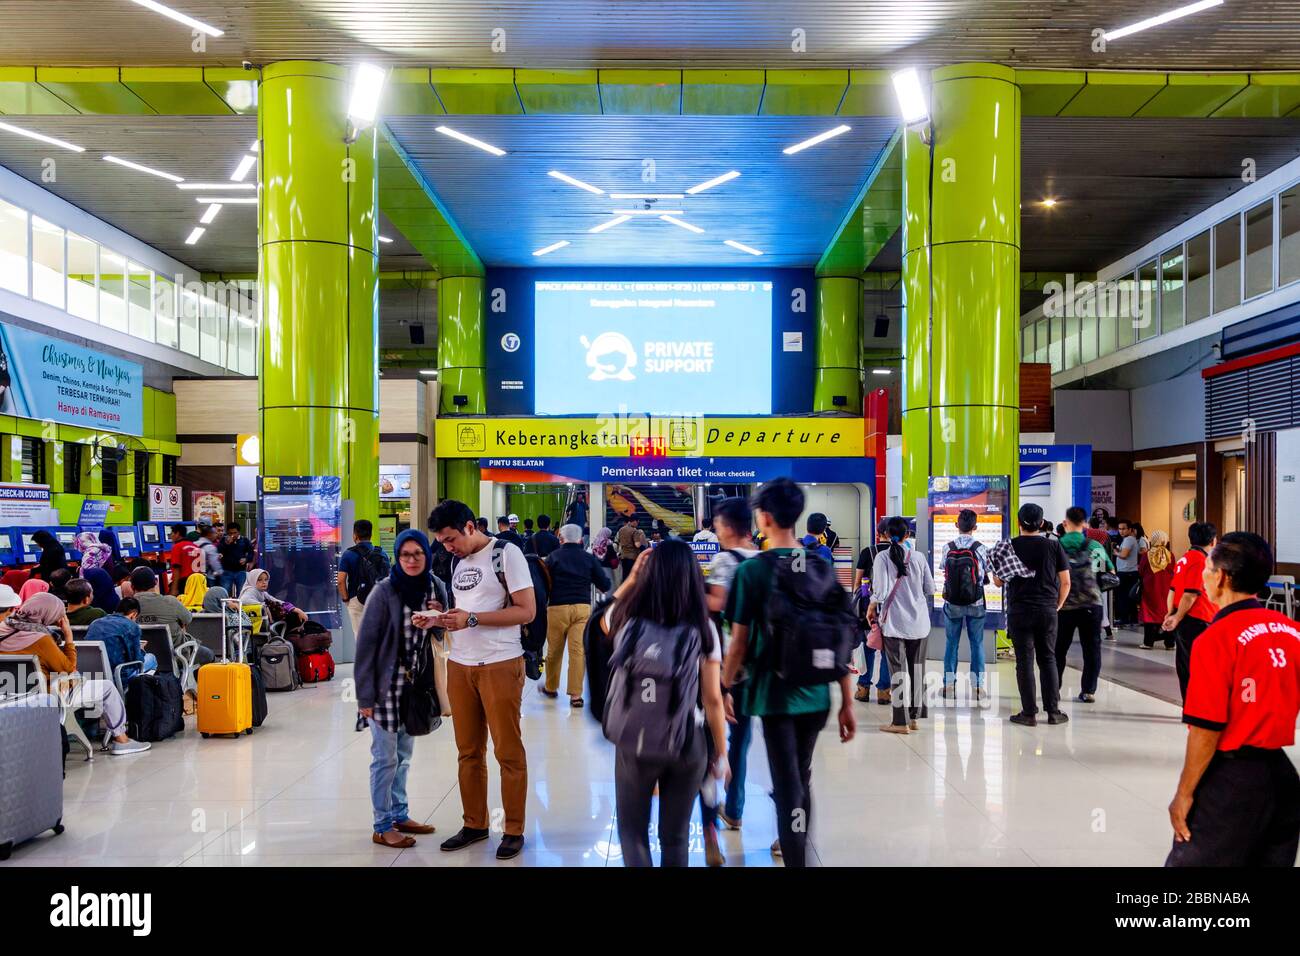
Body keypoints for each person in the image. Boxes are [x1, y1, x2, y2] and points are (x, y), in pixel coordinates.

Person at [722, 478, 856, 866]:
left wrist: (725, 686)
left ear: (763, 518)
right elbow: (840, 636)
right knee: (801, 774)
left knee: (786, 784)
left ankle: (796, 858)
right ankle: (795, 849)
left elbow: (739, 644)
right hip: (817, 695)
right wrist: (847, 701)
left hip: (775, 695)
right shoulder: (820, 565)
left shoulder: (752, 572)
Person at [1166, 532, 1300, 867]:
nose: (1204, 575)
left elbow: (1206, 730)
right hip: (1282, 779)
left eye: (1208, 568)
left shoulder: (1216, 639)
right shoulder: (1290, 630)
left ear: (1222, 576)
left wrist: (1184, 794)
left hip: (1231, 781)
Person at [601, 540, 728, 867]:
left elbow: (602, 617)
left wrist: (631, 580)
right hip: (687, 741)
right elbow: (713, 699)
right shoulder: (706, 629)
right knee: (675, 836)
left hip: (635, 741)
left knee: (632, 832)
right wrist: (722, 753)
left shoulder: (625, 619)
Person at [427, 499, 536, 861]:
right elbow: (466, 609)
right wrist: (440, 618)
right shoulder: (459, 561)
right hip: (460, 663)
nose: (447, 547)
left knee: (507, 751)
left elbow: (526, 611)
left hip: (501, 663)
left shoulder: (507, 554)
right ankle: (474, 823)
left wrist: (471, 619)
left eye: (451, 538)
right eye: (442, 541)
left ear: (470, 526)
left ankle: (514, 828)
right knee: (468, 752)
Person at [355, 529, 449, 849]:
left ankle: (399, 813)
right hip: (384, 686)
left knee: (404, 755)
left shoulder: (435, 587)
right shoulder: (384, 592)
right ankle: (382, 825)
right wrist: (364, 696)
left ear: (427, 555)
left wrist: (437, 620)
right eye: (405, 554)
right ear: (397, 556)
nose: (411, 560)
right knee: (385, 757)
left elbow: (443, 636)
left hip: (414, 684)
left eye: (417, 554)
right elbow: (366, 645)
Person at [0, 591, 150, 754]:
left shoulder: (5, 631)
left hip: (10, 698)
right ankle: (121, 740)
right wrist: (68, 637)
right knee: (106, 687)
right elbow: (69, 668)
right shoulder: (40, 640)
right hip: (49, 695)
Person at [703, 495, 757, 850]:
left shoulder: (725, 559)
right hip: (764, 658)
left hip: (730, 658)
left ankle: (732, 808)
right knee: (757, 735)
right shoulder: (766, 557)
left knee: (729, 731)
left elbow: (717, 603)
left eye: (719, 525)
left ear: (726, 525)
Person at [990, 502, 1071, 727]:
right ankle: (1053, 712)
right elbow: (1066, 582)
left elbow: (998, 581)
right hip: (1047, 610)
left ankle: (1028, 713)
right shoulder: (1054, 547)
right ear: (1042, 523)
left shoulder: (1008, 546)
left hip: (1019, 611)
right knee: (1048, 659)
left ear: (1018, 522)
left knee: (1024, 662)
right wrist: (1057, 606)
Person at [869, 516, 935, 733]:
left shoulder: (881, 558)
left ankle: (899, 722)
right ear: (908, 534)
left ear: (886, 535)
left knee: (897, 672)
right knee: (918, 670)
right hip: (919, 623)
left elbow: (880, 591)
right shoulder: (918, 557)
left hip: (894, 623)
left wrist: (871, 606)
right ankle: (914, 718)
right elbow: (930, 589)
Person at [541, 523, 610, 707]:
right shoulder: (588, 558)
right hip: (582, 608)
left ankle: (551, 687)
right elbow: (605, 584)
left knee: (554, 651)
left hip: (557, 608)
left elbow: (543, 583)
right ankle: (576, 696)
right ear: (580, 540)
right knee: (578, 652)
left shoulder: (553, 558)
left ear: (561, 539)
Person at [1056, 506, 1114, 704]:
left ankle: (1054, 688)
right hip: (1091, 605)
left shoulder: (1057, 546)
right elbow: (1107, 574)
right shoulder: (1094, 546)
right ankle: (1088, 690)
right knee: (1091, 649)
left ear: (1066, 523)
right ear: (1085, 524)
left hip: (1063, 606)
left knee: (1058, 649)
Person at [1163, 522, 1219, 701]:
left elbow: (1172, 590)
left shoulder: (1184, 558)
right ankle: (1197, 705)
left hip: (1185, 617)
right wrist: (1177, 617)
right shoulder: (1200, 561)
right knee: (1199, 666)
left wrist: (1170, 613)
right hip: (1198, 619)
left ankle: (1190, 704)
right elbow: (1190, 595)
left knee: (1185, 664)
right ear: (1213, 541)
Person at [940, 509, 989, 699]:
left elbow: (943, 570)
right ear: (975, 527)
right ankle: (977, 688)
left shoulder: (947, 547)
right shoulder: (980, 547)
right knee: (977, 644)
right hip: (976, 602)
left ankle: (948, 685)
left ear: (956, 525)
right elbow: (985, 574)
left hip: (952, 603)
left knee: (951, 643)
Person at [852, 519, 892, 705]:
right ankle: (884, 691)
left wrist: (856, 601)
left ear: (879, 533)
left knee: (867, 644)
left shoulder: (867, 552)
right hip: (892, 607)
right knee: (887, 649)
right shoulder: (900, 553)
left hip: (869, 606)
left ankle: (863, 688)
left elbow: (858, 581)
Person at [85, 596, 157, 683]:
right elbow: (138, 660)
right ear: (134, 614)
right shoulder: (132, 626)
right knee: (152, 658)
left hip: (93, 674)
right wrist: (141, 650)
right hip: (118, 675)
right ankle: (140, 692)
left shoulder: (95, 623)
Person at [338, 519, 390, 638]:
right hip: (378, 598)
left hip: (356, 599)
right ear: (371, 535)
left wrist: (346, 599)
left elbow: (341, 581)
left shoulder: (348, 554)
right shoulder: (381, 553)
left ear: (355, 535)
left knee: (360, 636)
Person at [1138, 530, 1177, 650]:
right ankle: (1170, 643)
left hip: (1150, 589)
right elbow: (1174, 571)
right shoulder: (1170, 555)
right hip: (1167, 589)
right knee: (1168, 612)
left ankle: (1148, 642)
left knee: (1149, 614)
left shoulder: (1147, 555)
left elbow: (1141, 571)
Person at [239, 568, 308, 629]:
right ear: (252, 580)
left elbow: (276, 601)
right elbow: (243, 600)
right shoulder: (251, 590)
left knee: (292, 615)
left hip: (261, 623)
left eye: (266, 580)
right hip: (253, 624)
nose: (264, 582)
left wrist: (295, 609)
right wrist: (263, 606)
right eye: (259, 580)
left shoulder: (262, 592)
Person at [1114, 518, 1141, 627]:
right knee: (1130, 597)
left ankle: (1124, 619)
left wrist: (1115, 552)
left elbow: (1124, 555)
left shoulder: (1129, 539)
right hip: (1130, 572)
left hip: (1126, 573)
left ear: (1130, 529)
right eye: (1120, 529)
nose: (1121, 531)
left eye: (1124, 529)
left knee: (1123, 597)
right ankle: (1132, 619)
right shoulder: (1130, 539)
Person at [218, 522, 254, 596]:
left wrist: (246, 559)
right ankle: (226, 607)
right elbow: (218, 551)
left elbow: (251, 554)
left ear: (239, 532)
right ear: (227, 532)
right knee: (225, 593)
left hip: (240, 571)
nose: (233, 535)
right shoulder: (223, 540)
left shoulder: (244, 540)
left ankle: (239, 607)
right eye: (230, 533)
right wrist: (226, 544)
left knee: (241, 593)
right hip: (226, 571)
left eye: (235, 533)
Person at [166, 524, 201, 596]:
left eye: (172, 533)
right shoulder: (196, 547)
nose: (171, 536)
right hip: (197, 583)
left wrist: (174, 589)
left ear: (177, 533)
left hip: (183, 583)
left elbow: (176, 569)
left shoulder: (177, 547)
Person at [615, 515, 647, 581]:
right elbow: (637, 545)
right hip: (632, 557)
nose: (637, 524)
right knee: (632, 577)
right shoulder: (635, 531)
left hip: (623, 556)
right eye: (638, 522)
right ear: (635, 521)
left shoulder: (621, 529)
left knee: (625, 576)